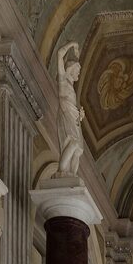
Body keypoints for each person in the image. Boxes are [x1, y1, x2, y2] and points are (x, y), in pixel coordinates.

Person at [56, 41, 85, 176]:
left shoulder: (71, 87)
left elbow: (72, 103)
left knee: (79, 150)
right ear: (71, 69)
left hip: (73, 116)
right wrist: (73, 44)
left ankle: (72, 175)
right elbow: (59, 54)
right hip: (66, 113)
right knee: (73, 142)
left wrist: (79, 115)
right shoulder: (63, 80)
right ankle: (62, 172)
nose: (78, 74)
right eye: (77, 71)